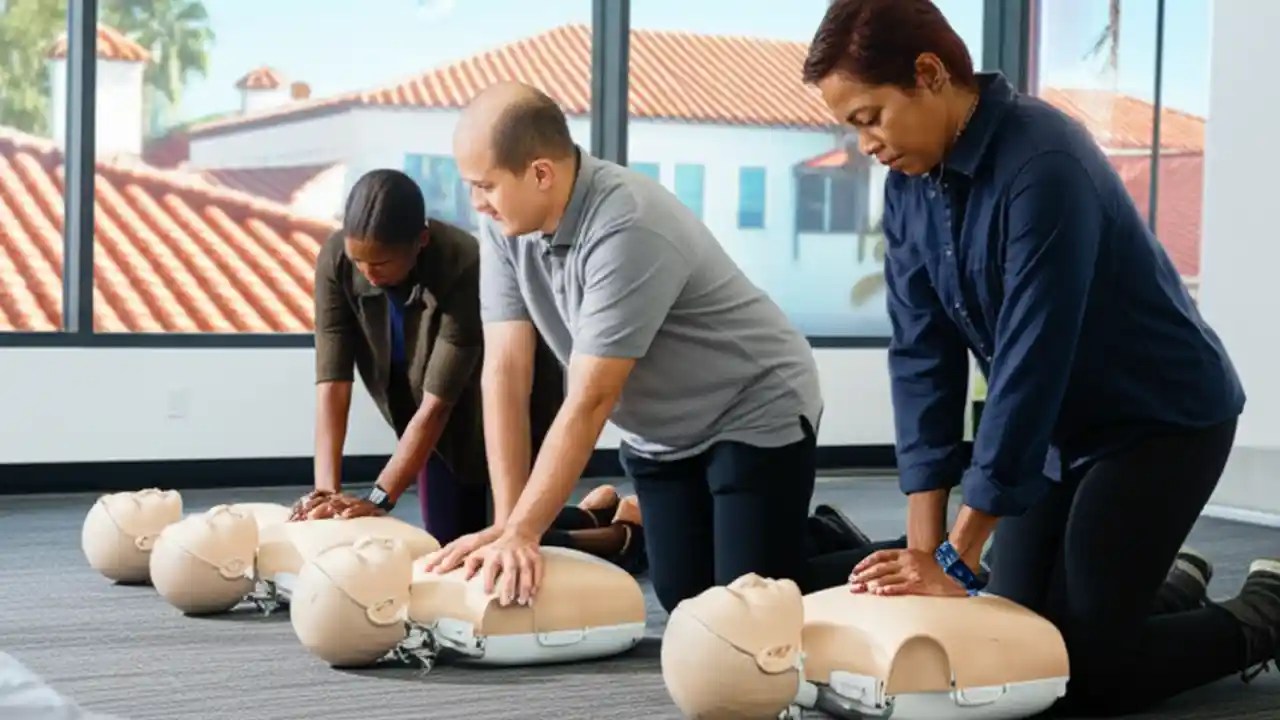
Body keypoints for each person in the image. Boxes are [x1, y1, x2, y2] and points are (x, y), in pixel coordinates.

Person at [801, 0, 1278, 714]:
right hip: (1058, 434)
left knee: (1081, 673)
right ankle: (1166, 584)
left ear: (928, 74)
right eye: (851, 126)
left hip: (1160, 425)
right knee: (1017, 646)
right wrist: (925, 558)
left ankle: (1263, 613)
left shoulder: (1045, 161)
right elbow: (922, 359)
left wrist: (959, 559)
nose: (865, 142)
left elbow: (1032, 358)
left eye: (870, 116)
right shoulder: (908, 185)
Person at [422, 81, 827, 613]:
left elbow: (590, 399)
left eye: (486, 186)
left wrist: (525, 531)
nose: (478, 202)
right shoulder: (504, 224)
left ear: (541, 173)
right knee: (685, 597)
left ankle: (862, 556)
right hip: (660, 434)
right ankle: (787, 536)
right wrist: (507, 521)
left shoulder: (627, 225)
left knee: (746, 606)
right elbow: (504, 370)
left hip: (751, 409)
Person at [300, 168, 565, 546]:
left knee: (523, 536)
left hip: (502, 406)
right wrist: (325, 496)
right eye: (359, 261)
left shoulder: (464, 263)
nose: (368, 273)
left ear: (420, 240)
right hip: (430, 426)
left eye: (381, 264)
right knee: (449, 542)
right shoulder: (337, 257)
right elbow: (332, 383)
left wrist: (378, 498)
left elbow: (438, 404)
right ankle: (603, 516)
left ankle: (616, 533)